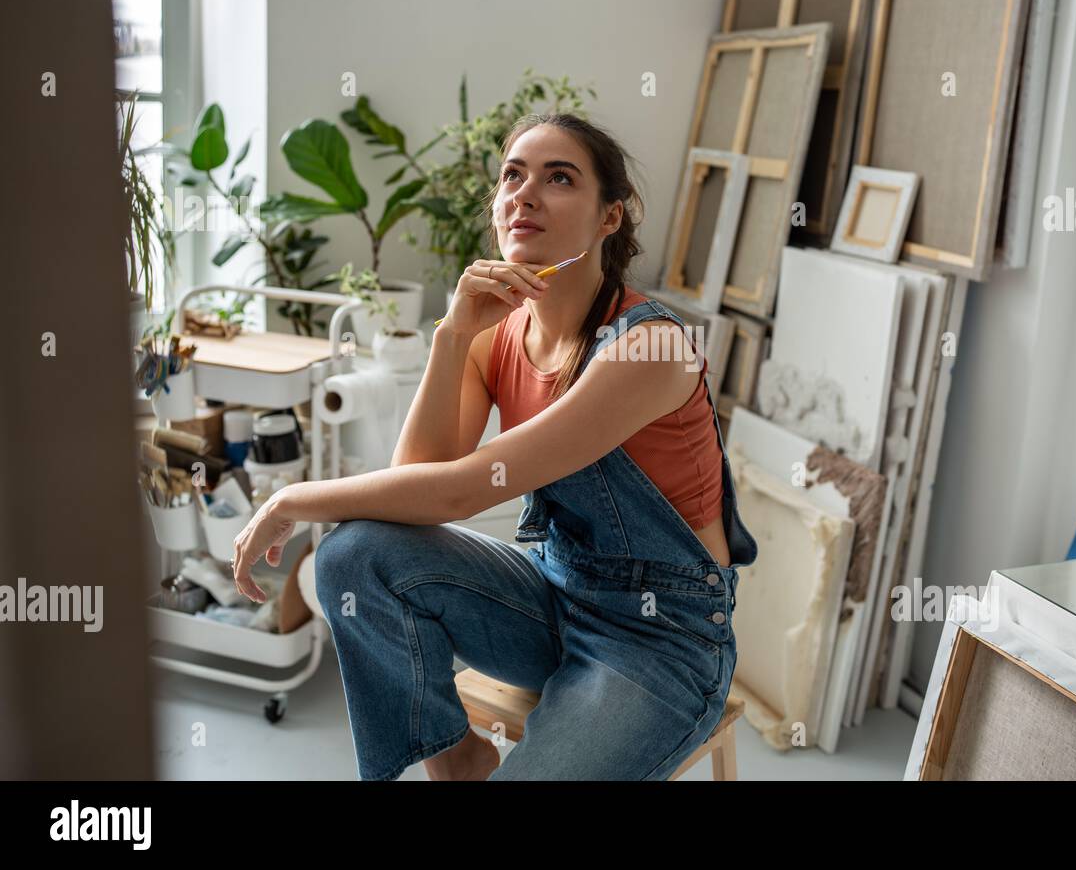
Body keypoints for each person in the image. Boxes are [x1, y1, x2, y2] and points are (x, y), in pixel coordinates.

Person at [231, 112, 759, 780]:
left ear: (610, 218)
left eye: (558, 177)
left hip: (661, 640)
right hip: (553, 598)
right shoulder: (495, 330)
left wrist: (293, 497)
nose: (524, 193)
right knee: (354, 553)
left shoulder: (648, 346)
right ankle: (457, 761)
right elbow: (416, 488)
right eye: (512, 175)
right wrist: (453, 336)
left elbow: (460, 490)